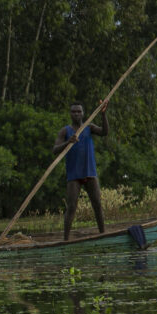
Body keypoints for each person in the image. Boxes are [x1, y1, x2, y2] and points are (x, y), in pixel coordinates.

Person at [52, 100, 109, 240]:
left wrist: (103, 114)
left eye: (79, 111)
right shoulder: (65, 131)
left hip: (90, 172)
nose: (76, 114)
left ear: (83, 113)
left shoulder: (89, 127)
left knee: (97, 204)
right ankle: (65, 240)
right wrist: (68, 142)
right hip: (74, 174)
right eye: (74, 112)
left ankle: (103, 234)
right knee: (71, 207)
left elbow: (104, 132)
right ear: (70, 114)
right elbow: (55, 150)